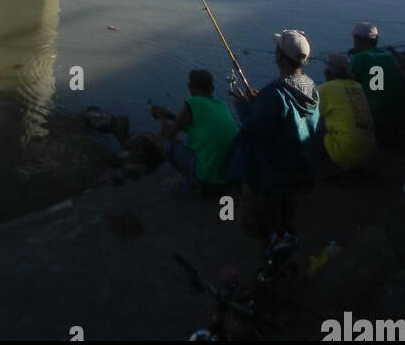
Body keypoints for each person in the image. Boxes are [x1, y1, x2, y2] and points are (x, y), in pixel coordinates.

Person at [225, 29, 320, 236]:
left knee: (255, 225)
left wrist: (242, 106)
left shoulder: (275, 93)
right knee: (287, 216)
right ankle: (285, 232)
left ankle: (269, 246)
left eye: (277, 48)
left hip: (276, 172)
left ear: (280, 56)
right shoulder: (311, 86)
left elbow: (253, 128)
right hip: (301, 166)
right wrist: (260, 102)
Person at [150, 68, 238, 191]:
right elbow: (193, 125)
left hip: (207, 177)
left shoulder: (192, 102)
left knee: (161, 141)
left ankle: (193, 181)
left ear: (191, 87)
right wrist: (169, 115)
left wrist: (161, 116)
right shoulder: (221, 105)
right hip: (229, 175)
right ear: (211, 88)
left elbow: (169, 135)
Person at [316, 52, 376, 175]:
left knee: (316, 121)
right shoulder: (358, 86)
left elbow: (311, 118)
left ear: (327, 72)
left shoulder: (325, 88)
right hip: (369, 155)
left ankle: (324, 166)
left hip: (346, 156)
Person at [348, 22, 405, 146]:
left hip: (374, 118)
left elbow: (346, 85)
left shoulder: (359, 59)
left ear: (358, 40)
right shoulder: (388, 56)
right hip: (397, 116)